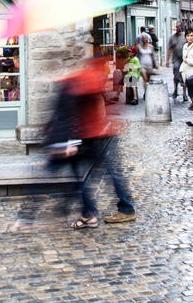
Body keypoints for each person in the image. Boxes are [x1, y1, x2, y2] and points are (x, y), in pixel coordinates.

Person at [46, 54, 137, 229]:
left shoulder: (86, 78)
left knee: (98, 173)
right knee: (96, 173)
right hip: (93, 134)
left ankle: (116, 209)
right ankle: (91, 211)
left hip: (96, 134)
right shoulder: (93, 76)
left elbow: (81, 100)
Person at [167, 22, 186, 102]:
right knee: (176, 76)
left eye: (179, 27)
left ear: (182, 27)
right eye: (176, 27)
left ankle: (184, 94)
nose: (177, 28)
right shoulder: (172, 37)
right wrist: (167, 60)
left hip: (184, 60)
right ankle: (175, 90)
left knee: (184, 77)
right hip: (176, 59)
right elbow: (169, 49)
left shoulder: (185, 36)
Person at [136, 32, 157, 98]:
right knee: (145, 79)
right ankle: (146, 92)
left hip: (149, 65)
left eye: (146, 38)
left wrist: (155, 65)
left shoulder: (151, 47)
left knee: (148, 80)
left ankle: (146, 92)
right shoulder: (139, 47)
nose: (145, 40)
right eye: (144, 38)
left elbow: (153, 56)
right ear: (141, 39)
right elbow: (137, 56)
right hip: (142, 65)